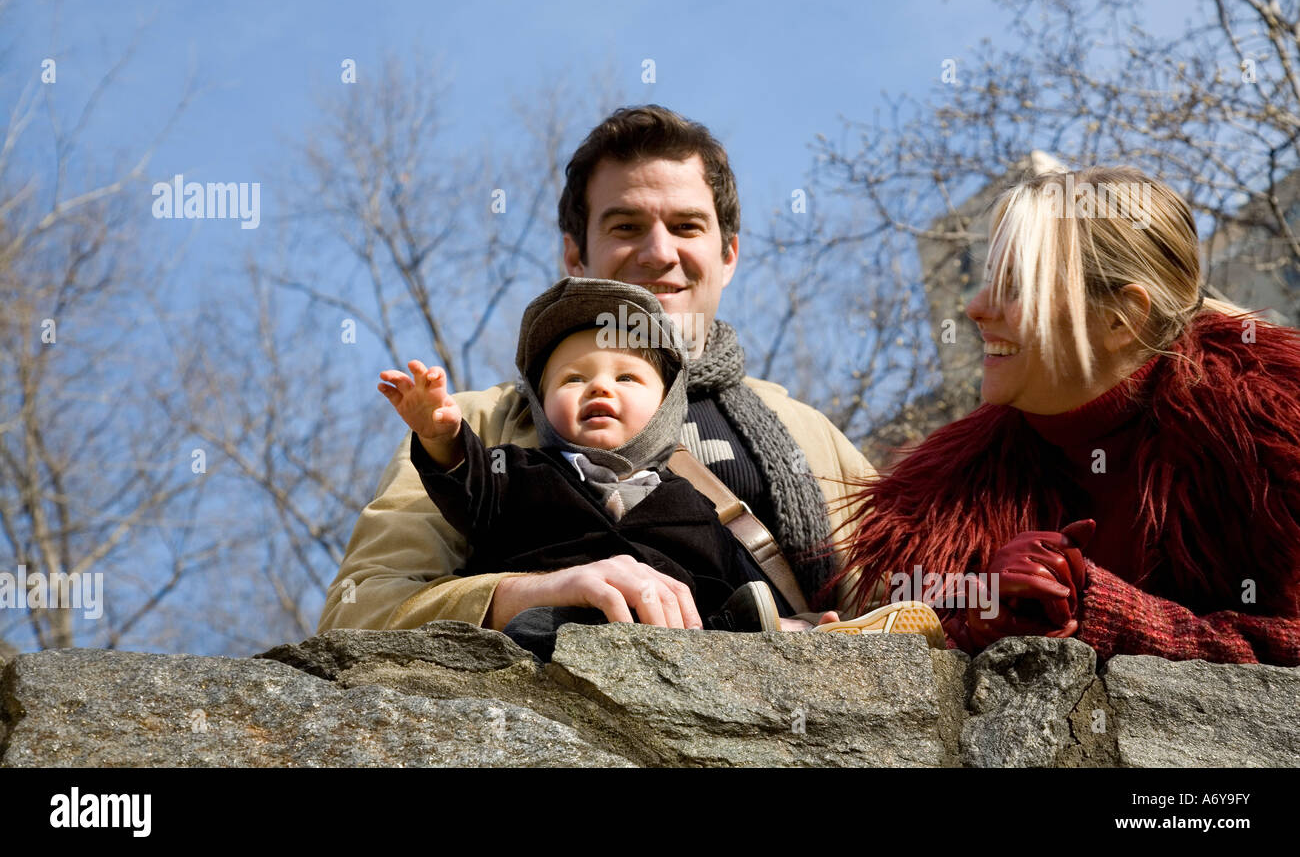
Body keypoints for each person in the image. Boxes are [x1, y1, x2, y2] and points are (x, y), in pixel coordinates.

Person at [318, 105, 873, 636]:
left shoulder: (809, 432)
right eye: (626, 227)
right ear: (575, 258)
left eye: (686, 226)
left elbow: (916, 608)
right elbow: (360, 611)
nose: (658, 253)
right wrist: (538, 593)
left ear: (728, 254)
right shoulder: (469, 426)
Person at [835, 165, 1300, 666]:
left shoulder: (1266, 445)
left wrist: (1102, 611)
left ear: (1122, 320)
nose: (975, 308)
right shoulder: (940, 502)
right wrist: (954, 630)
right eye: (986, 280)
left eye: (1016, 286)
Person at [378, 277, 806, 658]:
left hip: (682, 644)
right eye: (573, 379)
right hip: (553, 627)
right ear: (541, 406)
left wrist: (791, 620)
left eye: (626, 378)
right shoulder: (520, 469)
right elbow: (468, 486)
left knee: (724, 622)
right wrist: (442, 438)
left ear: (665, 407)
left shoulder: (695, 505)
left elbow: (730, 575)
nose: (599, 385)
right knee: (538, 629)